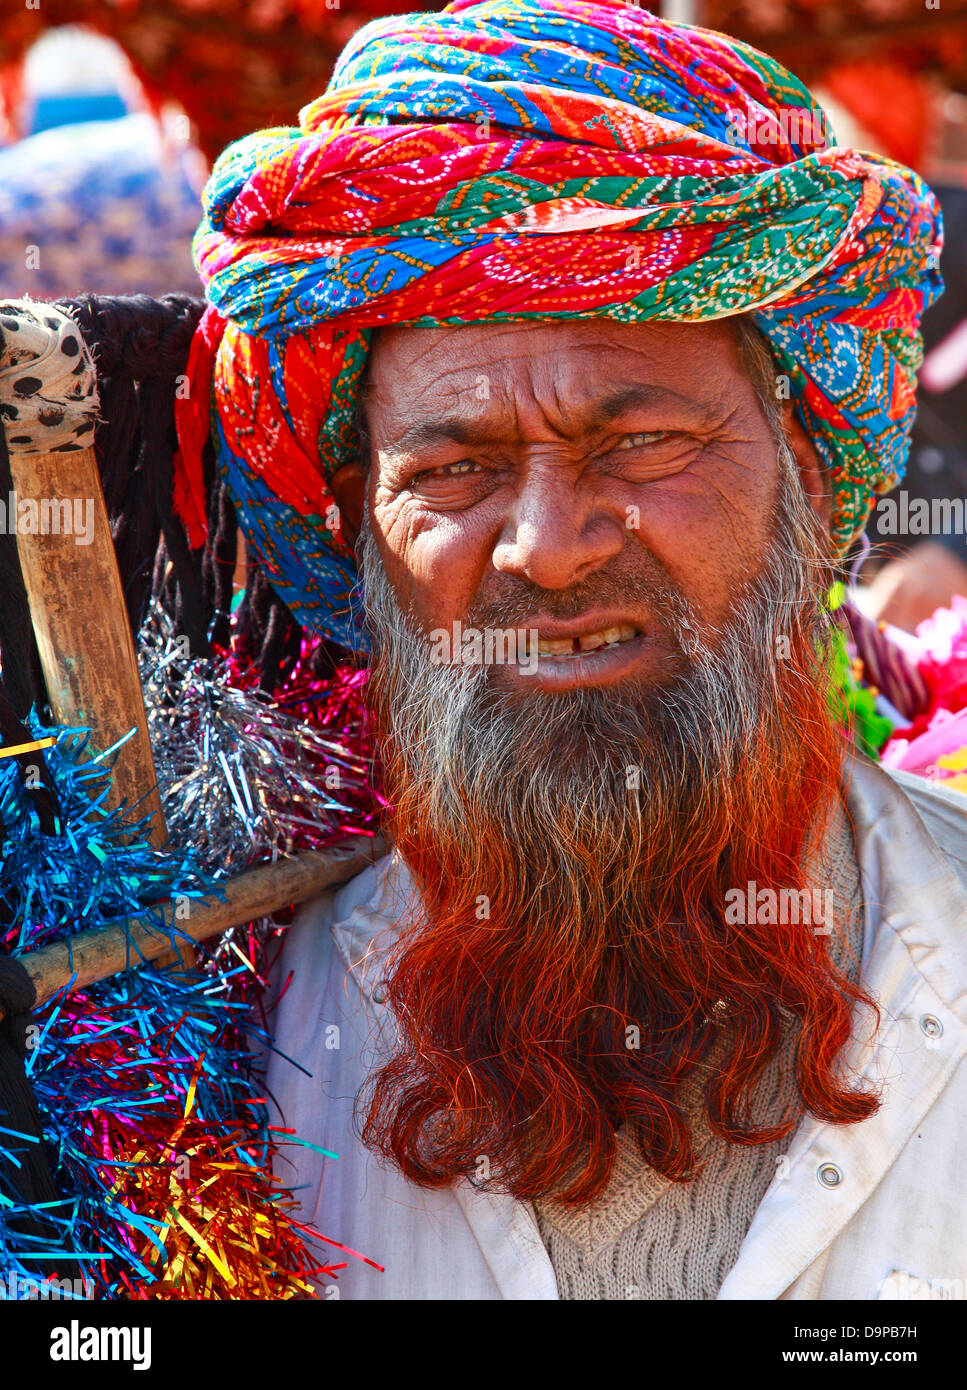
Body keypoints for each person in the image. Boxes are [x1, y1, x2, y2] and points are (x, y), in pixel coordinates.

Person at [175, 0, 967, 1300]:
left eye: (642, 441)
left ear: (813, 481)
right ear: (361, 527)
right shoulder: (227, 1041)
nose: (544, 545)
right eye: (455, 465)